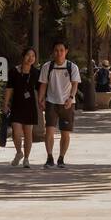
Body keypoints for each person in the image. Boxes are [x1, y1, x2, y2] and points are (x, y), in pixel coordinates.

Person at [37, 39, 80, 168]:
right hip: (51, 102)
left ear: (66, 51)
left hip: (68, 103)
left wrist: (70, 98)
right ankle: (49, 157)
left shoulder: (72, 67)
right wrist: (41, 99)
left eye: (62, 50)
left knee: (65, 132)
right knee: (49, 131)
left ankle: (61, 158)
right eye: (56, 50)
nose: (59, 53)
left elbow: (75, 85)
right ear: (53, 52)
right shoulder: (47, 67)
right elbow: (43, 85)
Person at [2, 47, 39, 168]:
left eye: (33, 56)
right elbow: (9, 88)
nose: (30, 58)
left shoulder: (36, 73)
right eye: (28, 55)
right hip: (17, 105)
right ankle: (19, 152)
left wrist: (42, 101)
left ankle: (26, 159)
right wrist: (5, 104)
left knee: (28, 133)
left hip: (30, 106)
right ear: (23, 56)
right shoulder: (14, 71)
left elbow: (40, 89)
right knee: (16, 132)